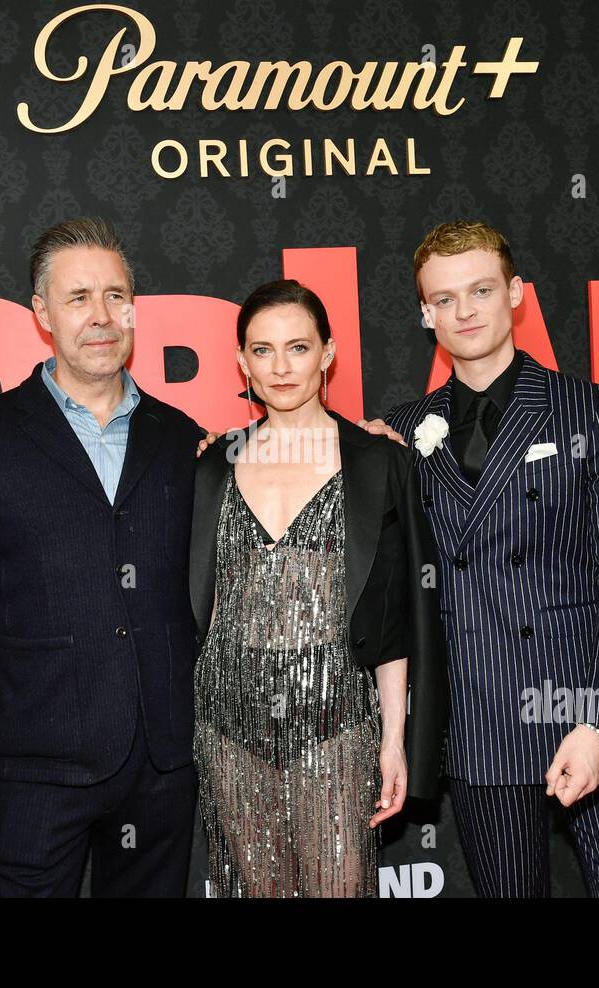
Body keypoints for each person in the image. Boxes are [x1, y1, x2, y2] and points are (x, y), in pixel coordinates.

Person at [368, 220, 599, 897]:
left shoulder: (589, 411)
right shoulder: (398, 432)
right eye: (444, 299)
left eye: (480, 290)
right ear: (425, 313)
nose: (464, 312)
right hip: (479, 724)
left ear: (516, 294)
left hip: (586, 704)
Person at [0, 217, 205, 896]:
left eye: (115, 296)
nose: (100, 317)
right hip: (33, 769)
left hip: (161, 764)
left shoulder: (180, 438)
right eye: (78, 298)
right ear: (42, 313)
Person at [189, 279, 447, 897]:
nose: (280, 368)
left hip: (337, 723)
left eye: (298, 348)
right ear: (241, 361)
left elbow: (392, 621)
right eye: (262, 350)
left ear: (328, 354)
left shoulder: (379, 462)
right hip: (228, 723)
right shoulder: (208, 466)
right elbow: (204, 603)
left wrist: (394, 741)